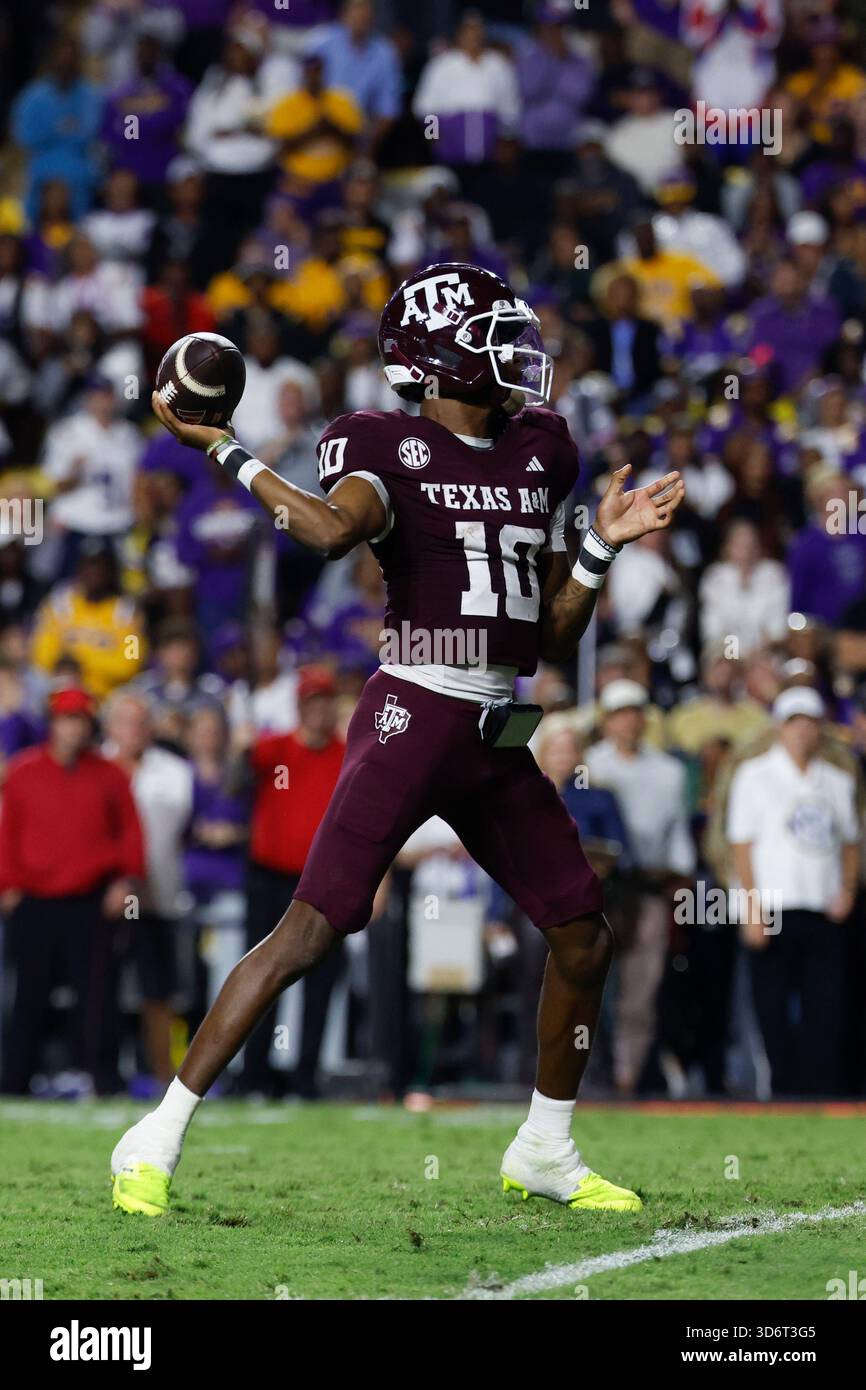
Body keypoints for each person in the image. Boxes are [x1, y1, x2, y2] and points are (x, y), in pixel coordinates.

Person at [110, 260, 685, 1218]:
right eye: (490, 336)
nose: (513, 353)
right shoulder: (381, 443)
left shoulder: (540, 445)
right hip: (413, 706)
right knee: (313, 927)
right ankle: (156, 1131)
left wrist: (599, 545)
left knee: (583, 932)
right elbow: (332, 532)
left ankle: (544, 1146)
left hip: (498, 722)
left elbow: (550, 634)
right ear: (434, 359)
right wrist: (225, 448)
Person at [0, 686, 145, 1095]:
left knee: (97, 995)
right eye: (66, 719)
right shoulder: (24, 772)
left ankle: (103, 1078)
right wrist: (7, 885)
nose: (73, 728)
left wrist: (125, 880)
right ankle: (16, 1080)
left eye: (80, 719)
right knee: (28, 995)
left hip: (91, 900)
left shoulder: (110, 774)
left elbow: (130, 831)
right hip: (34, 900)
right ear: (52, 724)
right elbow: (8, 832)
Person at [727, 687, 862, 1095]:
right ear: (780, 728)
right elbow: (741, 846)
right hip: (773, 906)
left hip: (822, 907)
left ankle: (817, 1091)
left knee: (826, 1007)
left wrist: (848, 889)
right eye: (794, 723)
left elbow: (851, 841)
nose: (802, 731)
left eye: (809, 722)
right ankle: (782, 1091)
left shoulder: (837, 779)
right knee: (771, 1008)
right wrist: (751, 908)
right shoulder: (754, 774)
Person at [236, 665, 346, 1098]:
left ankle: (306, 1076)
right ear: (300, 706)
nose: (319, 710)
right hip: (269, 880)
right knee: (264, 976)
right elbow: (233, 783)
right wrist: (237, 747)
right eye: (312, 701)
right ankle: (254, 1074)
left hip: (322, 883)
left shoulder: (345, 754)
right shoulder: (272, 749)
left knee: (321, 980)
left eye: (325, 701)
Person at [585, 680, 696, 1094]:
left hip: (649, 884)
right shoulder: (590, 764)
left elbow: (677, 836)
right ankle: (590, 1074)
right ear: (607, 720)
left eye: (635, 711)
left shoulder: (668, 771)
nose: (628, 720)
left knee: (641, 989)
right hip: (597, 889)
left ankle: (626, 1078)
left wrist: (678, 880)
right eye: (620, 712)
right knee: (589, 983)